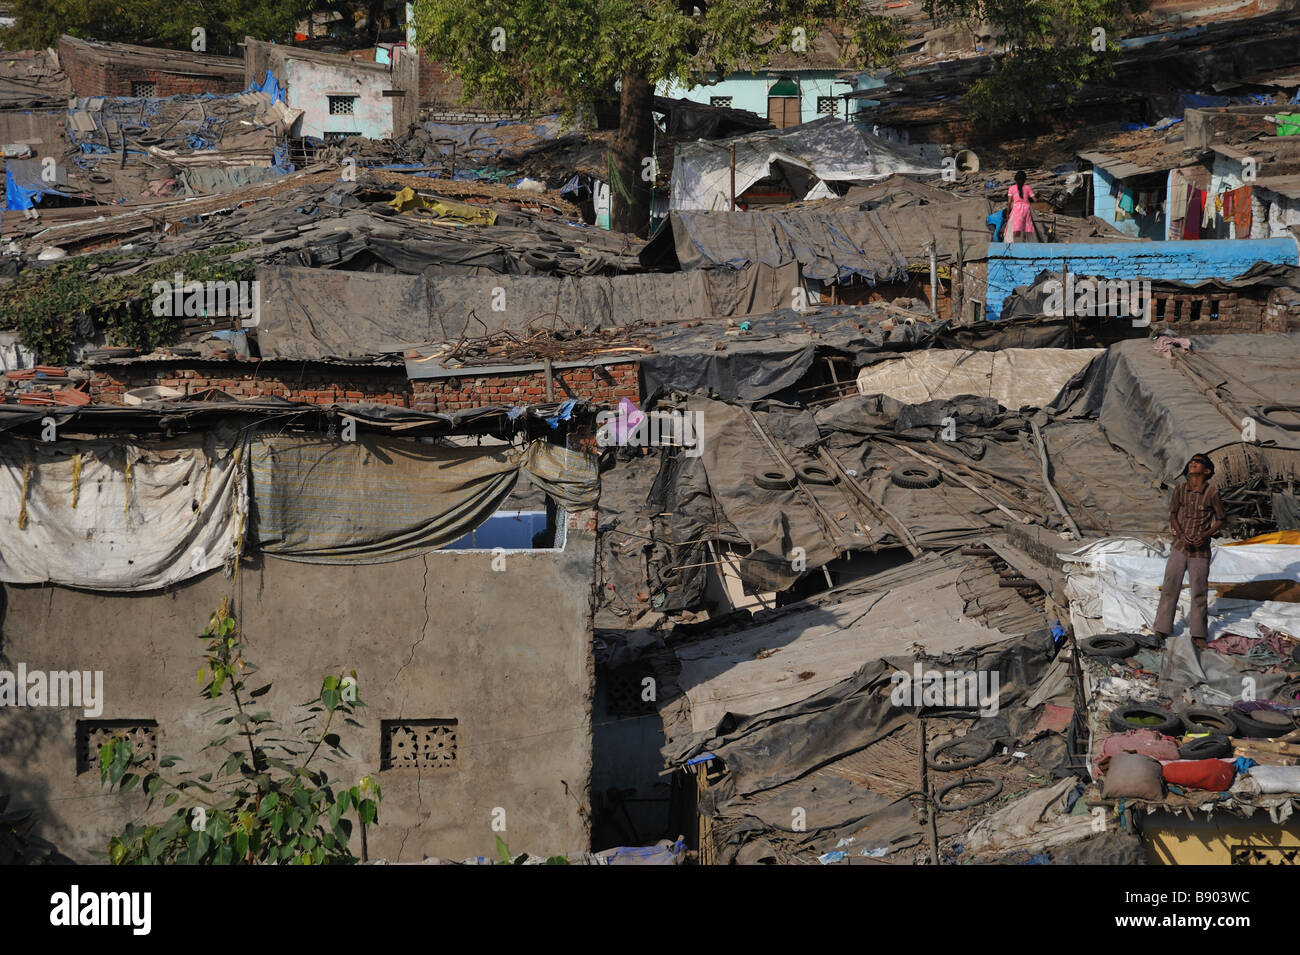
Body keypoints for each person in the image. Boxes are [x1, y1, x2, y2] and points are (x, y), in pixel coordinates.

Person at [1153, 453, 1226, 641]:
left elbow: (1220, 519)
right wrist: (1180, 533)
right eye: (1192, 462)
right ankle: (1162, 628)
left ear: (1207, 471)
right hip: (1179, 546)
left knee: (1199, 592)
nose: (1193, 464)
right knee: (1170, 587)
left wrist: (1204, 535)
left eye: (1199, 462)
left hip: (1200, 550)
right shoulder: (1180, 489)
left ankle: (1198, 634)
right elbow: (1173, 515)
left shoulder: (1212, 493)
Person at [1007, 171, 1035, 242]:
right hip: (1026, 209)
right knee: (1027, 226)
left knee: (1011, 226)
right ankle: (1030, 243)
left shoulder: (1011, 188)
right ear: (1025, 179)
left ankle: (1009, 242)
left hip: (1016, 209)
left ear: (1015, 179)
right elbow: (1035, 199)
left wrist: (1008, 213)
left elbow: (1009, 202)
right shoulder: (1028, 188)